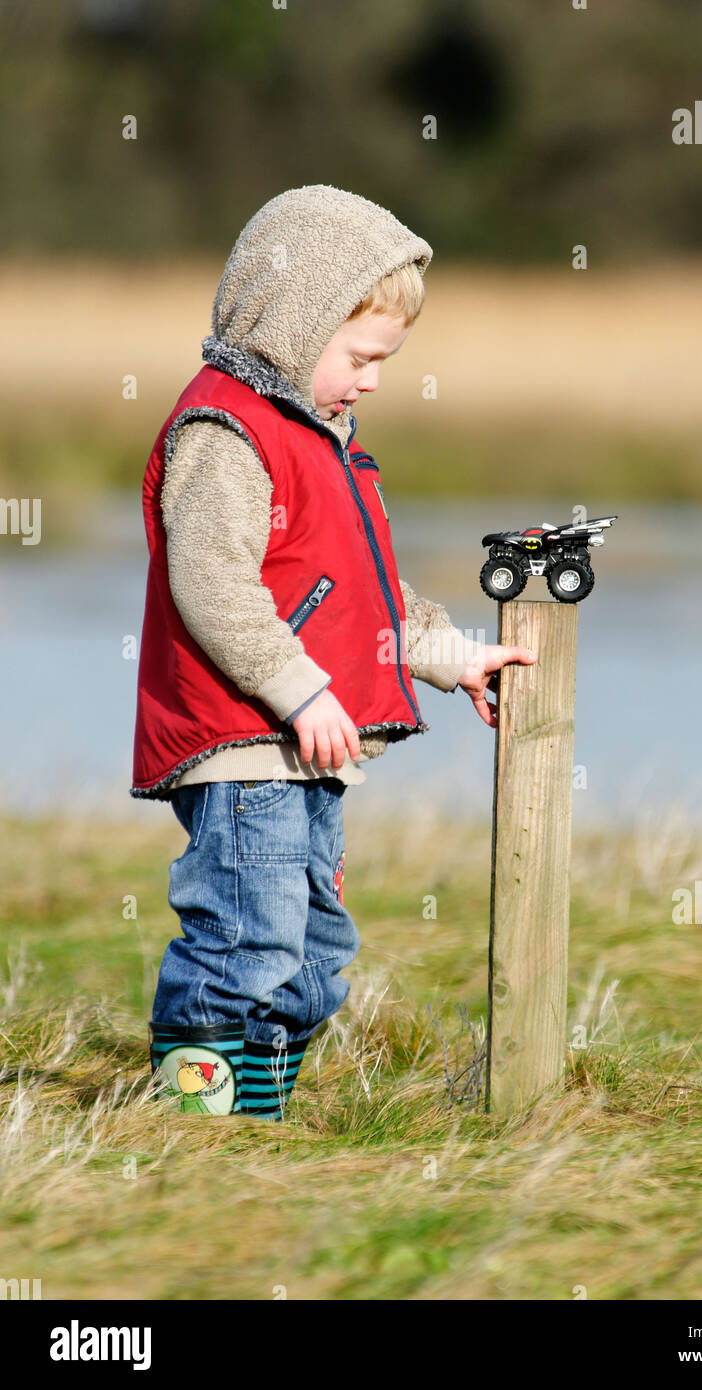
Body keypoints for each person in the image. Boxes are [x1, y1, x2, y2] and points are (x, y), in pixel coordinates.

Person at [131, 185, 536, 1120]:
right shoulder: (224, 432)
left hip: (308, 745)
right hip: (245, 742)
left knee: (315, 952)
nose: (373, 380)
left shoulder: (322, 438)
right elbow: (214, 585)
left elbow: (361, 598)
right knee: (246, 938)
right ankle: (198, 1120)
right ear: (292, 322)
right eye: (359, 357)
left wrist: (447, 655)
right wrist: (302, 691)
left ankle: (254, 1114)